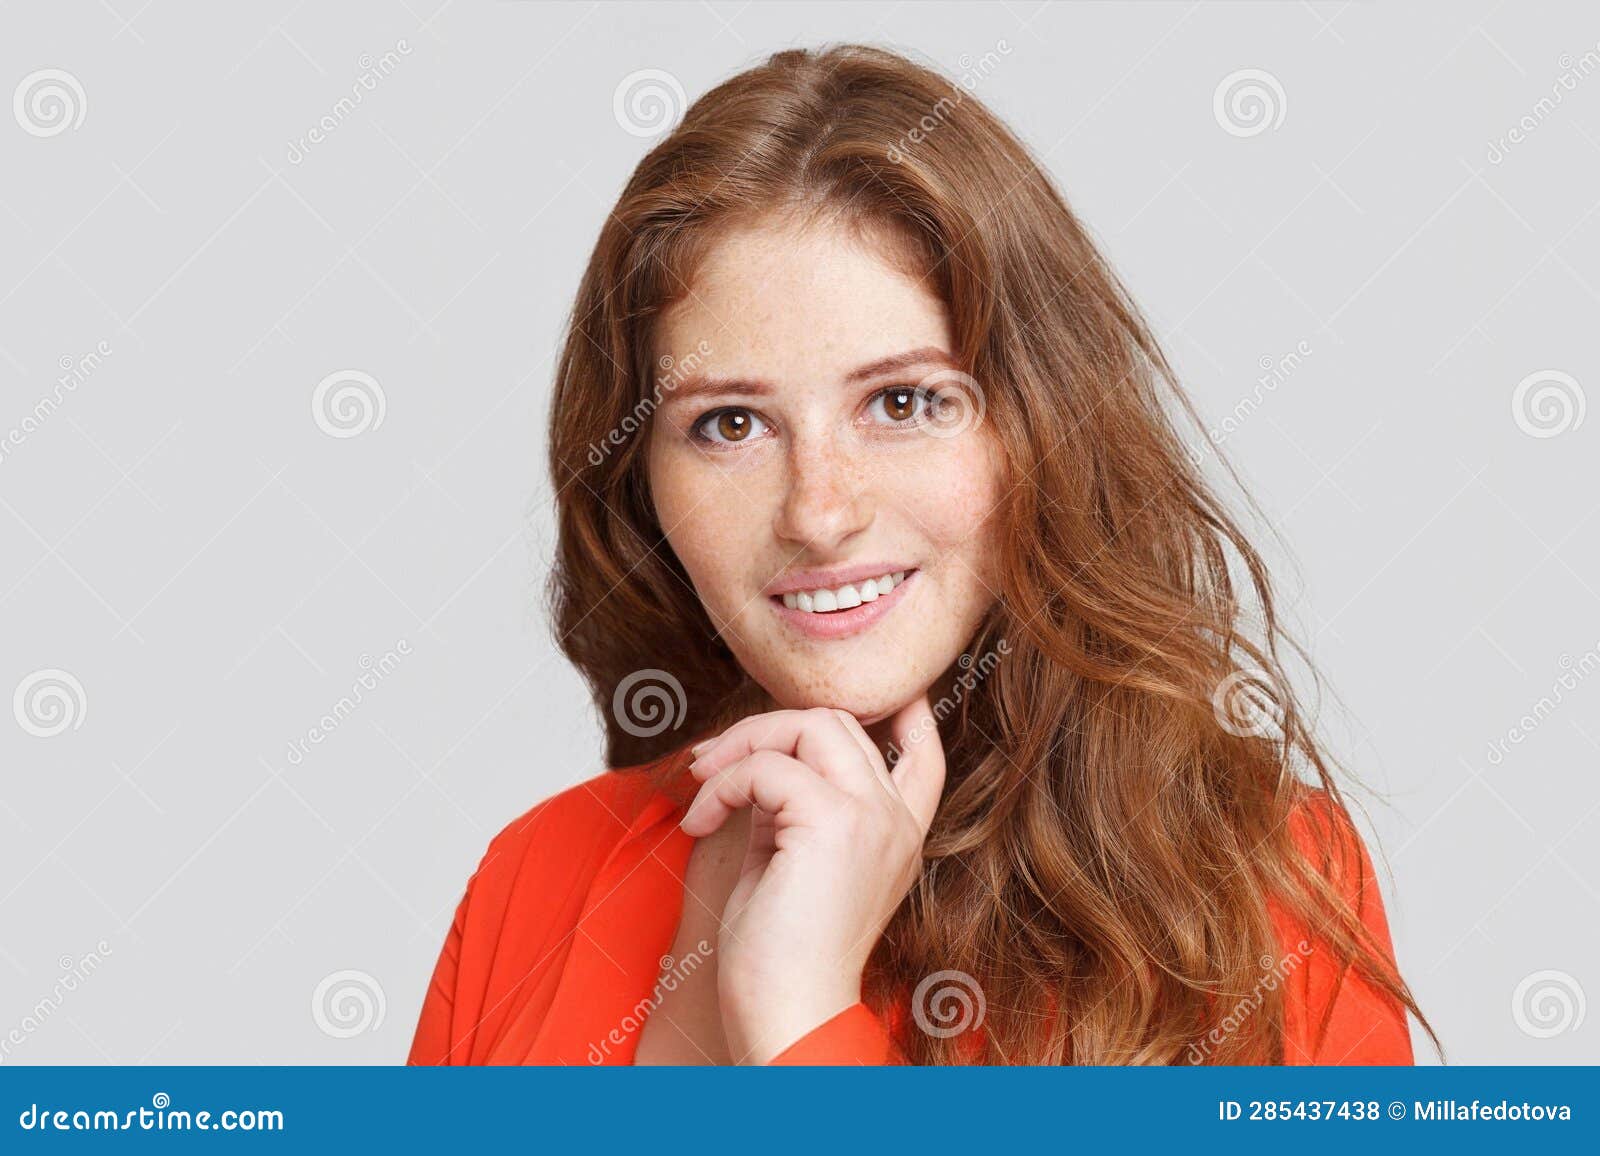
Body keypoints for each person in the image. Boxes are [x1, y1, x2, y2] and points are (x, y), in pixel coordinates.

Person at [408, 43, 1435, 1066]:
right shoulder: (536, 875)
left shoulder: (1265, 882)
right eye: (728, 424)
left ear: (1040, 428)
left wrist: (798, 1007)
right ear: (641, 476)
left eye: (902, 403)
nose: (817, 512)